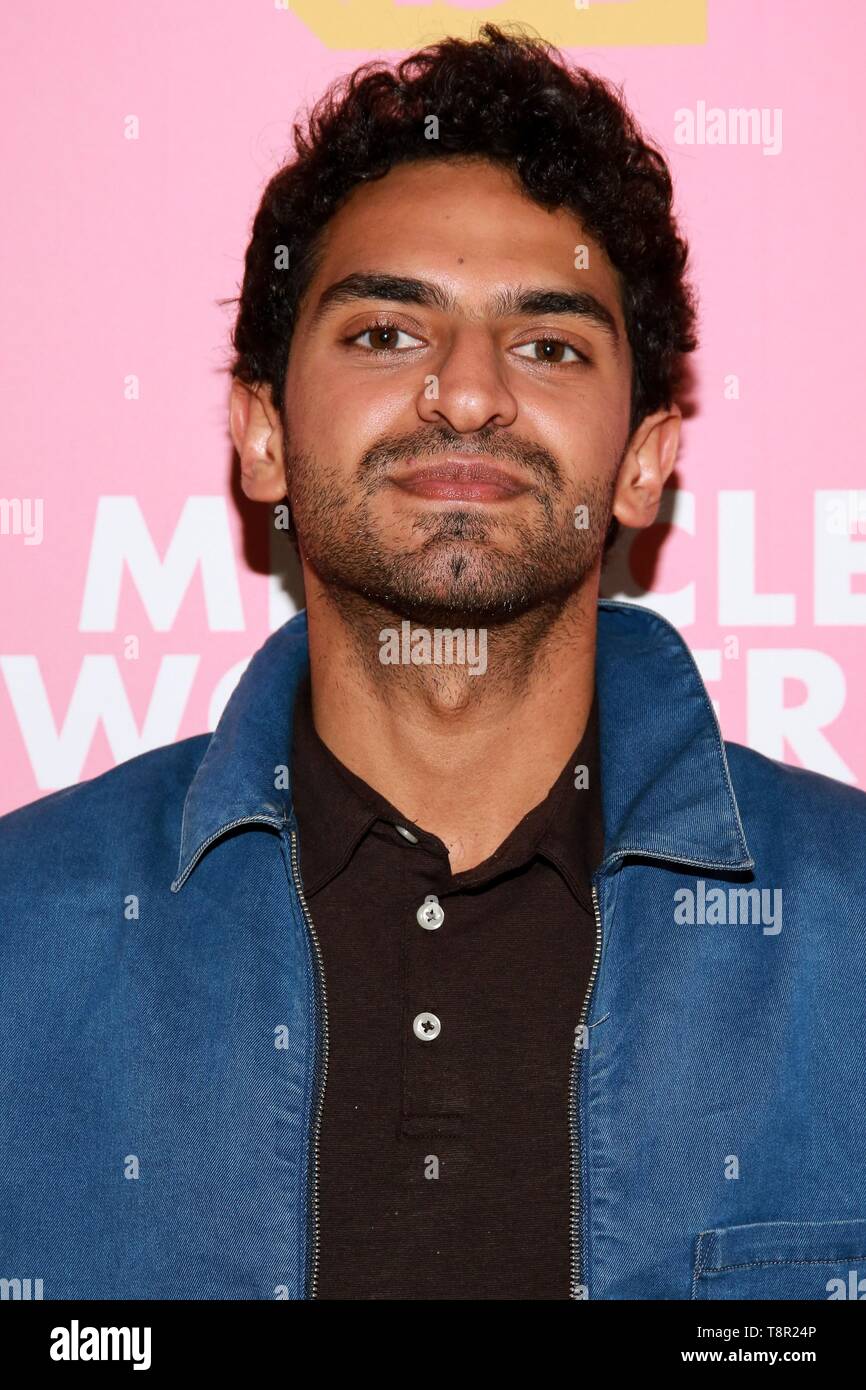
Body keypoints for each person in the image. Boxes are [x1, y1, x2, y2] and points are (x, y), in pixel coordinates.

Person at [2, 23, 865, 1302]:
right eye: (385, 333)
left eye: (550, 345)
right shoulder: (24, 936)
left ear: (641, 461)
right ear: (260, 438)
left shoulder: (844, 936)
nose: (465, 395)